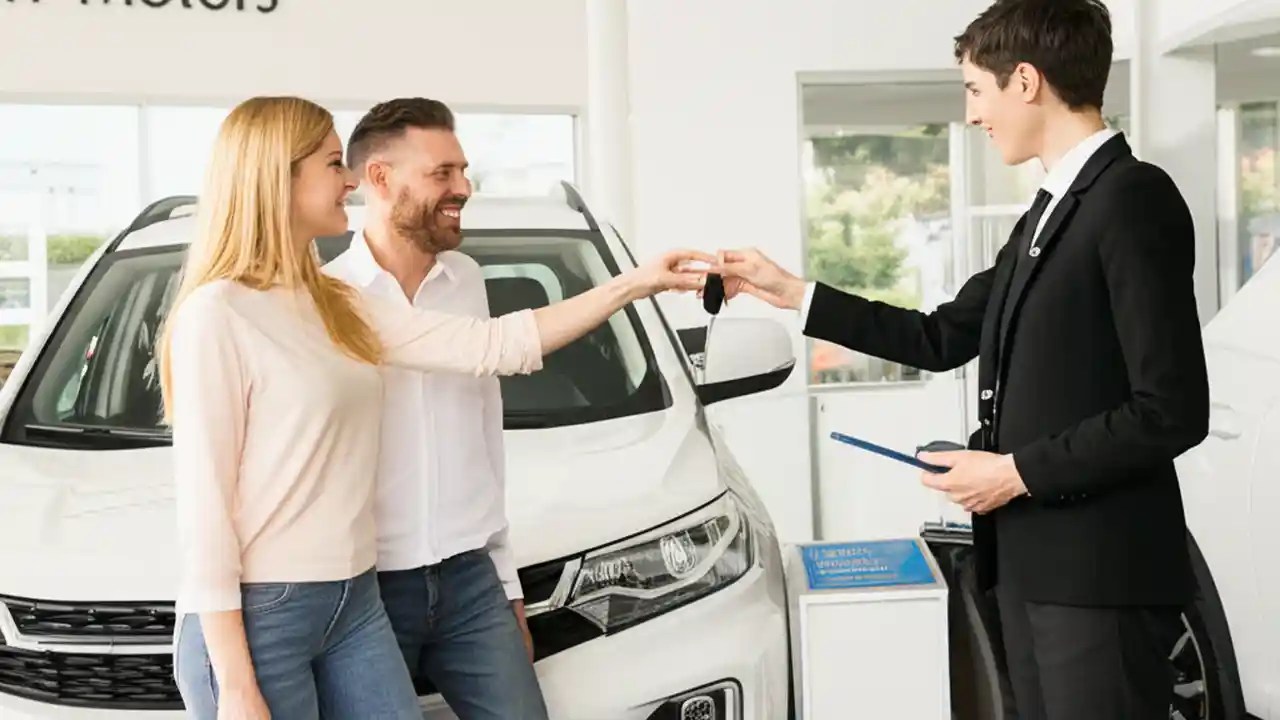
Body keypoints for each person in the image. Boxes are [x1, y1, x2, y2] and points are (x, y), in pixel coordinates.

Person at [714, 1, 1210, 718]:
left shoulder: (1132, 200)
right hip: (1030, 571)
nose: (973, 114)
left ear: (1027, 82)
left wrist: (1012, 473)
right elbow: (938, 337)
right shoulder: (1044, 214)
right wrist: (792, 292)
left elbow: (1170, 410)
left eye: (977, 90)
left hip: (1099, 578)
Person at [156, 95, 708, 720]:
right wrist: (233, 683)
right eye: (335, 164)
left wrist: (639, 282)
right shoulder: (216, 314)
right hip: (264, 613)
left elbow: (496, 345)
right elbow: (203, 510)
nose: (349, 180)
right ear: (276, 176)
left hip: (354, 600)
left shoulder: (336, 305)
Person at [322, 98, 547, 718]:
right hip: (365, 589)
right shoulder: (327, 300)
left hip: (470, 581)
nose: (463, 188)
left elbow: (484, 435)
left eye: (463, 170)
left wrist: (507, 586)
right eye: (442, 173)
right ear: (380, 179)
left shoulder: (467, 279)